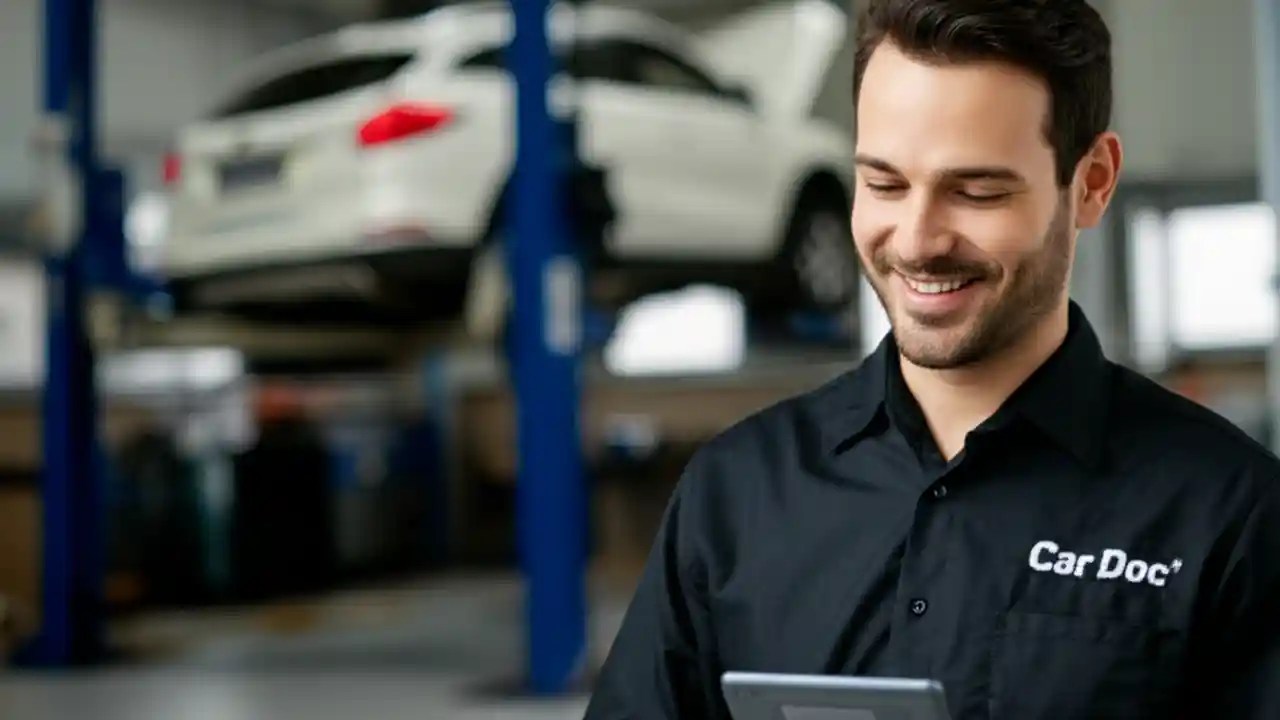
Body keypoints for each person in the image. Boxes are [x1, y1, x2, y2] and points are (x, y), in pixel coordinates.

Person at [584, 0, 1280, 718]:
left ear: (1092, 182)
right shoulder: (738, 493)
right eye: (883, 184)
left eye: (976, 191)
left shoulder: (1228, 514)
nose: (917, 240)